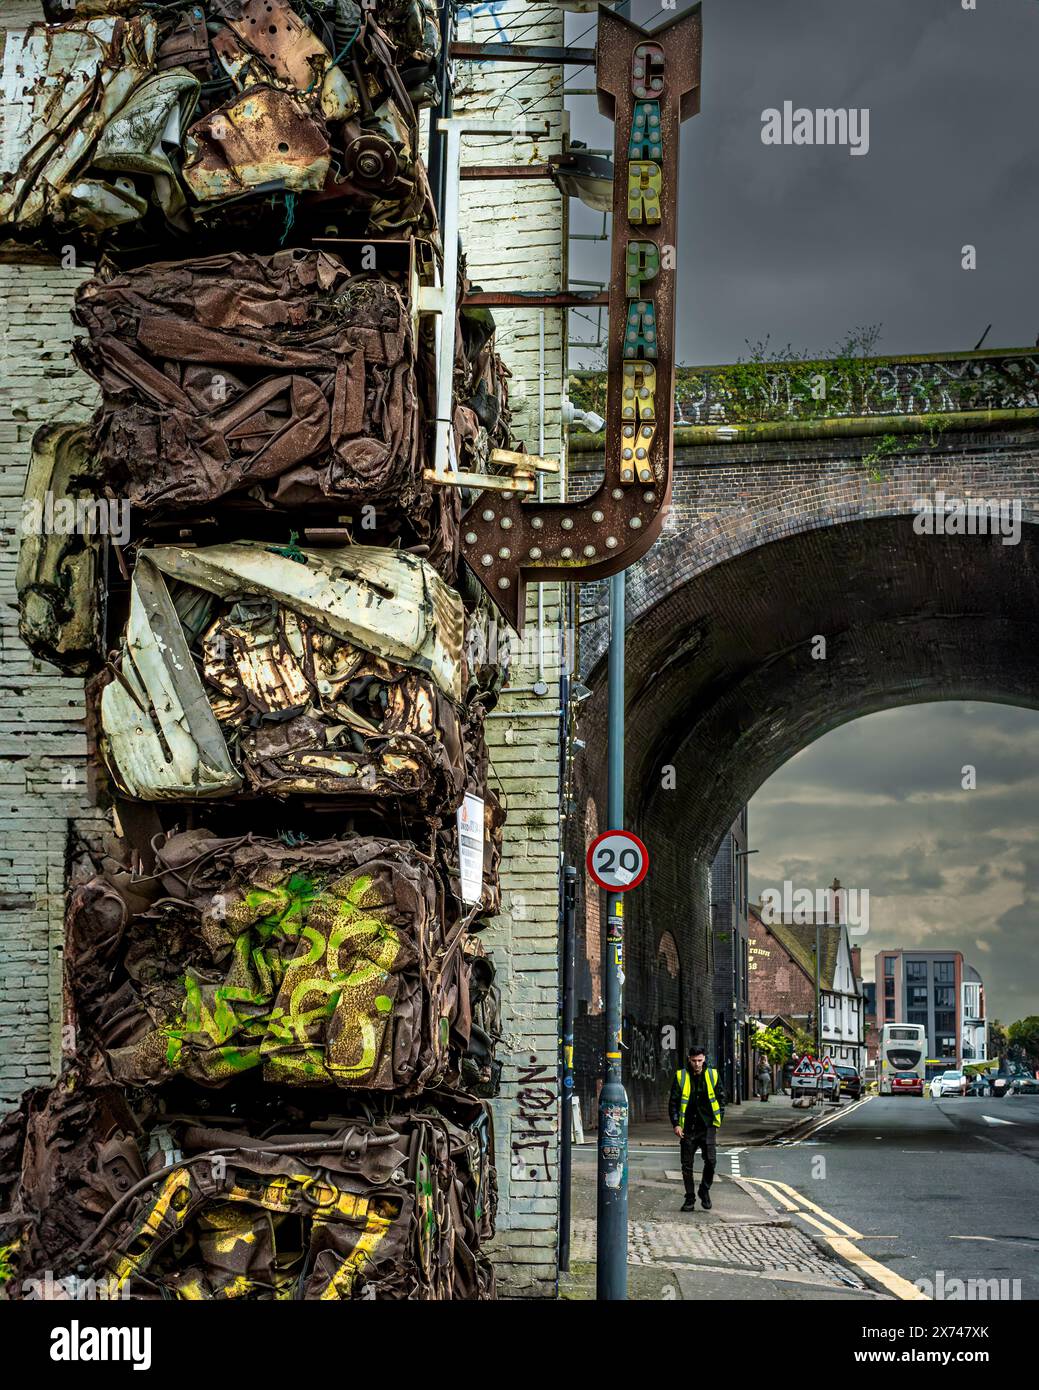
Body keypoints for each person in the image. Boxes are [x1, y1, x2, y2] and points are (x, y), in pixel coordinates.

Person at [669, 1044, 726, 1212]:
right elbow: (673, 1102)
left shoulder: (713, 1075)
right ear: (689, 1059)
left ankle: (704, 1190)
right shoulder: (681, 1076)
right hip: (688, 1127)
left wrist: (718, 1120)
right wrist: (676, 1124)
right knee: (687, 1165)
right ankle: (690, 1198)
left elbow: (721, 1099)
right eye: (694, 1061)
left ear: (704, 1059)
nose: (697, 1064)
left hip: (707, 1126)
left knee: (711, 1161)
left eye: (700, 1060)